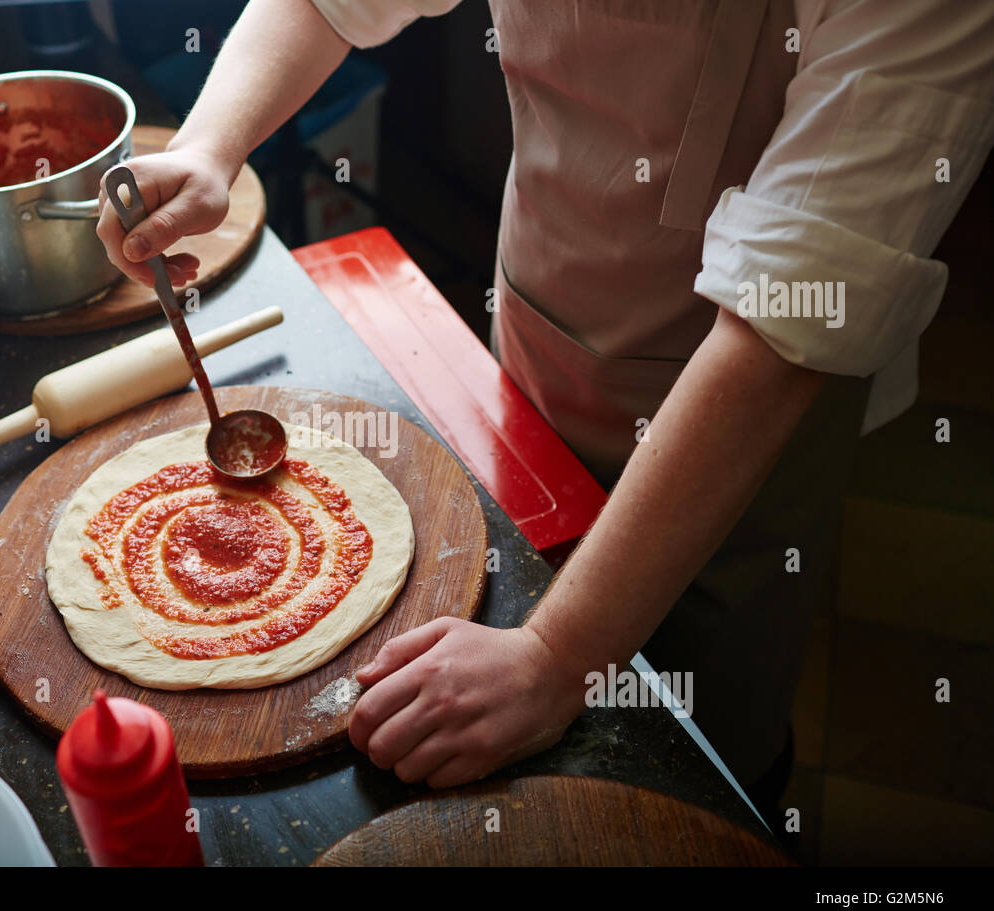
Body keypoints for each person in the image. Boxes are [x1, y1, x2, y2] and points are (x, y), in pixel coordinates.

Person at [96, 0, 994, 825]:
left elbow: (786, 314)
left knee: (698, 746)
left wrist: (557, 660)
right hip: (547, 291)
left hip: (749, 406)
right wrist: (211, 148)